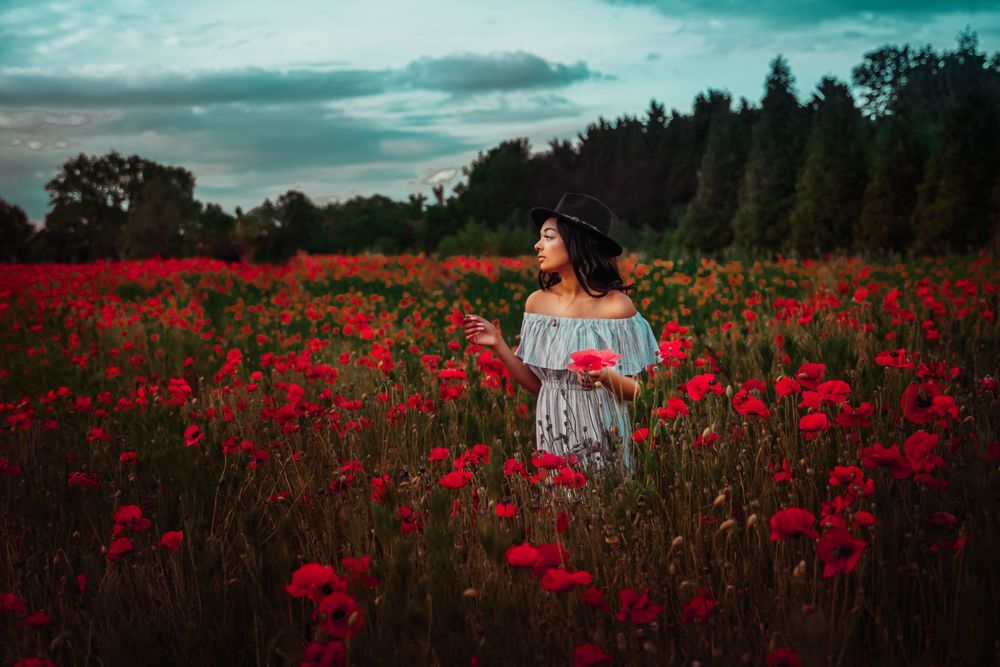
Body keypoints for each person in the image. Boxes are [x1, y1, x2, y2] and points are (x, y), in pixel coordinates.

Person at [463, 193, 661, 473]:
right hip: (552, 433)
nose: (537, 245)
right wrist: (497, 343)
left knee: (604, 505)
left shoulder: (616, 308)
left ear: (576, 242)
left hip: (604, 433)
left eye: (548, 237)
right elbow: (540, 385)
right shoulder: (537, 303)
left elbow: (639, 392)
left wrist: (605, 377)